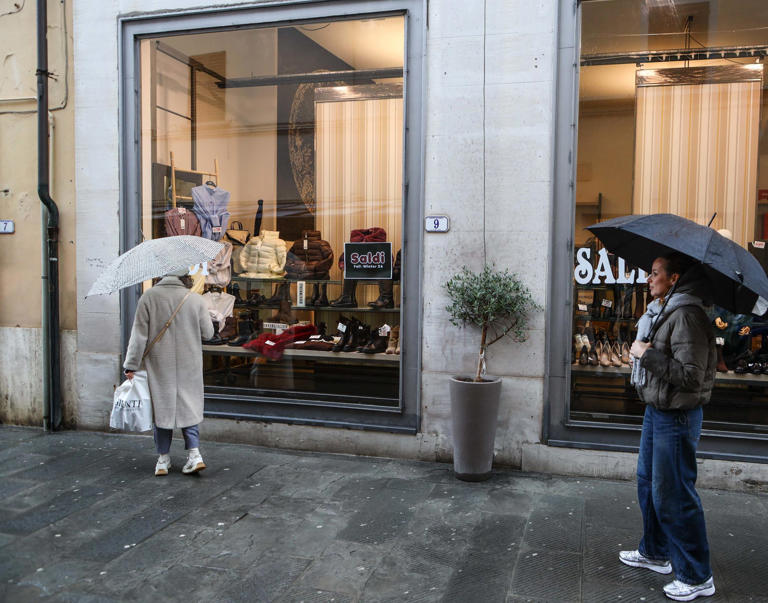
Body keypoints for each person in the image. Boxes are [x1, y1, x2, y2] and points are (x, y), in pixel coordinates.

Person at [621, 253, 718, 602]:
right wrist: (645, 354)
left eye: (655, 273)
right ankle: (655, 552)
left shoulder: (688, 316)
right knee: (649, 484)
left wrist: (646, 354)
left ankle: (696, 575)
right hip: (657, 410)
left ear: (674, 278)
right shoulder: (665, 312)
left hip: (676, 417)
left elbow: (691, 377)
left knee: (675, 494)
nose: (649, 279)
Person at [123, 268, 214, 476]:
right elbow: (208, 334)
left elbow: (138, 336)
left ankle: (163, 460)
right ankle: (194, 455)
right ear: (185, 278)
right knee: (188, 407)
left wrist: (131, 365)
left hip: (158, 364)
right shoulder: (195, 300)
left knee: (161, 410)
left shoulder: (148, 298)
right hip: (188, 364)